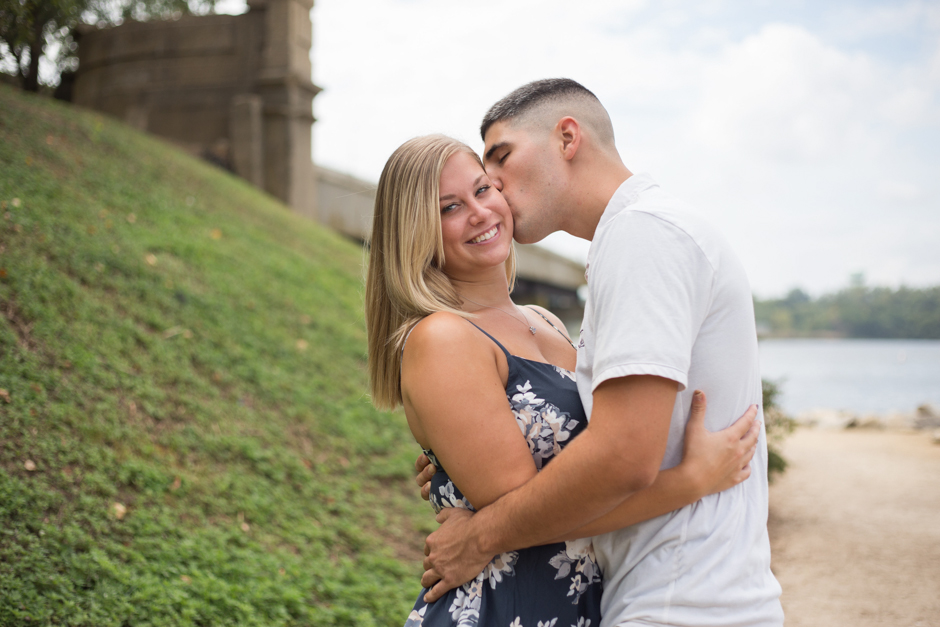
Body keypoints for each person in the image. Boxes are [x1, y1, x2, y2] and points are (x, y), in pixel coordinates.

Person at [416, 79, 785, 627]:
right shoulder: (634, 239)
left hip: (681, 602)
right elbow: (594, 440)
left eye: (502, 158)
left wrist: (479, 535)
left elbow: (621, 456)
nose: (493, 186)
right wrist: (460, 450)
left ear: (568, 138)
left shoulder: (642, 237)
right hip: (658, 595)